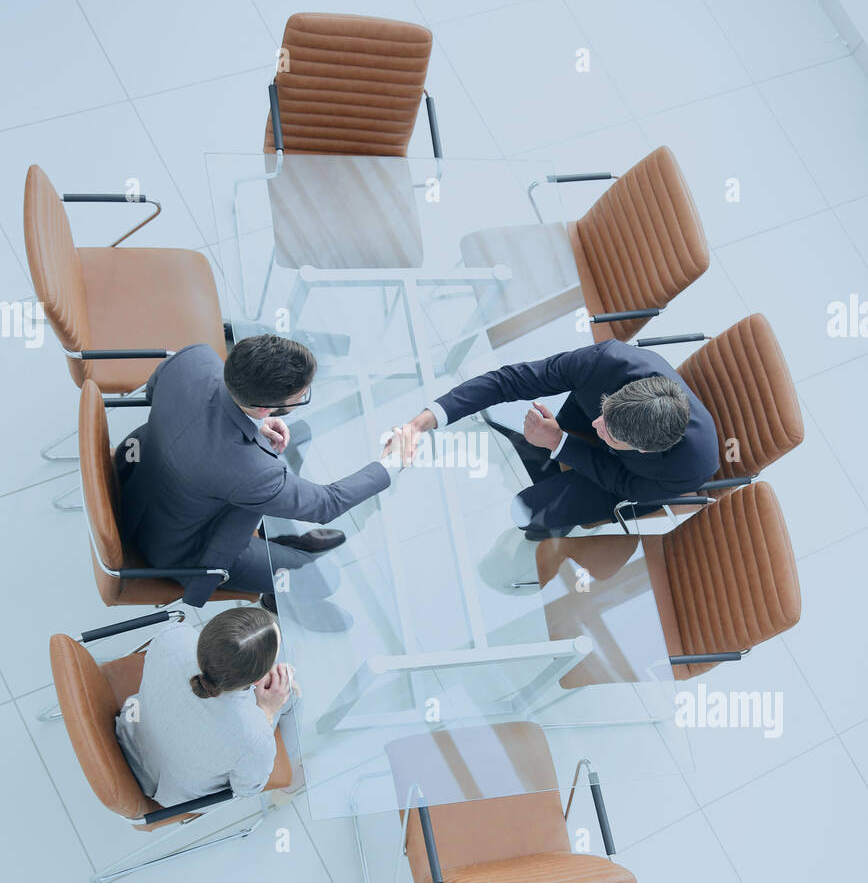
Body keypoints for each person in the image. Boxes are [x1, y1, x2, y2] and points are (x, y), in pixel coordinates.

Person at [117, 334, 404, 608]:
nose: (303, 396)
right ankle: (274, 597)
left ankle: (281, 543)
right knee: (325, 579)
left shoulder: (195, 358)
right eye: (301, 396)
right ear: (266, 408)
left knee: (300, 435)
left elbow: (154, 392)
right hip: (181, 551)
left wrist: (251, 422)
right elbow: (326, 504)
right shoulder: (252, 471)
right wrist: (392, 463)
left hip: (135, 484)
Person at [392, 338, 719, 536]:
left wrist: (560, 442)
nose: (596, 426)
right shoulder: (606, 362)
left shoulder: (689, 468)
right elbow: (509, 381)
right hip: (599, 414)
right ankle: (550, 456)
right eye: (604, 413)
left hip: (626, 480)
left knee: (528, 512)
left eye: (608, 433)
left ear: (643, 450)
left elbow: (623, 484)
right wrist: (420, 423)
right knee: (537, 459)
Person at [115, 607, 299, 809]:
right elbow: (246, 789)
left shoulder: (175, 636)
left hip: (129, 728)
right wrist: (267, 713)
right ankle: (289, 778)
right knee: (292, 697)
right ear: (257, 679)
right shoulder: (255, 738)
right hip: (165, 789)